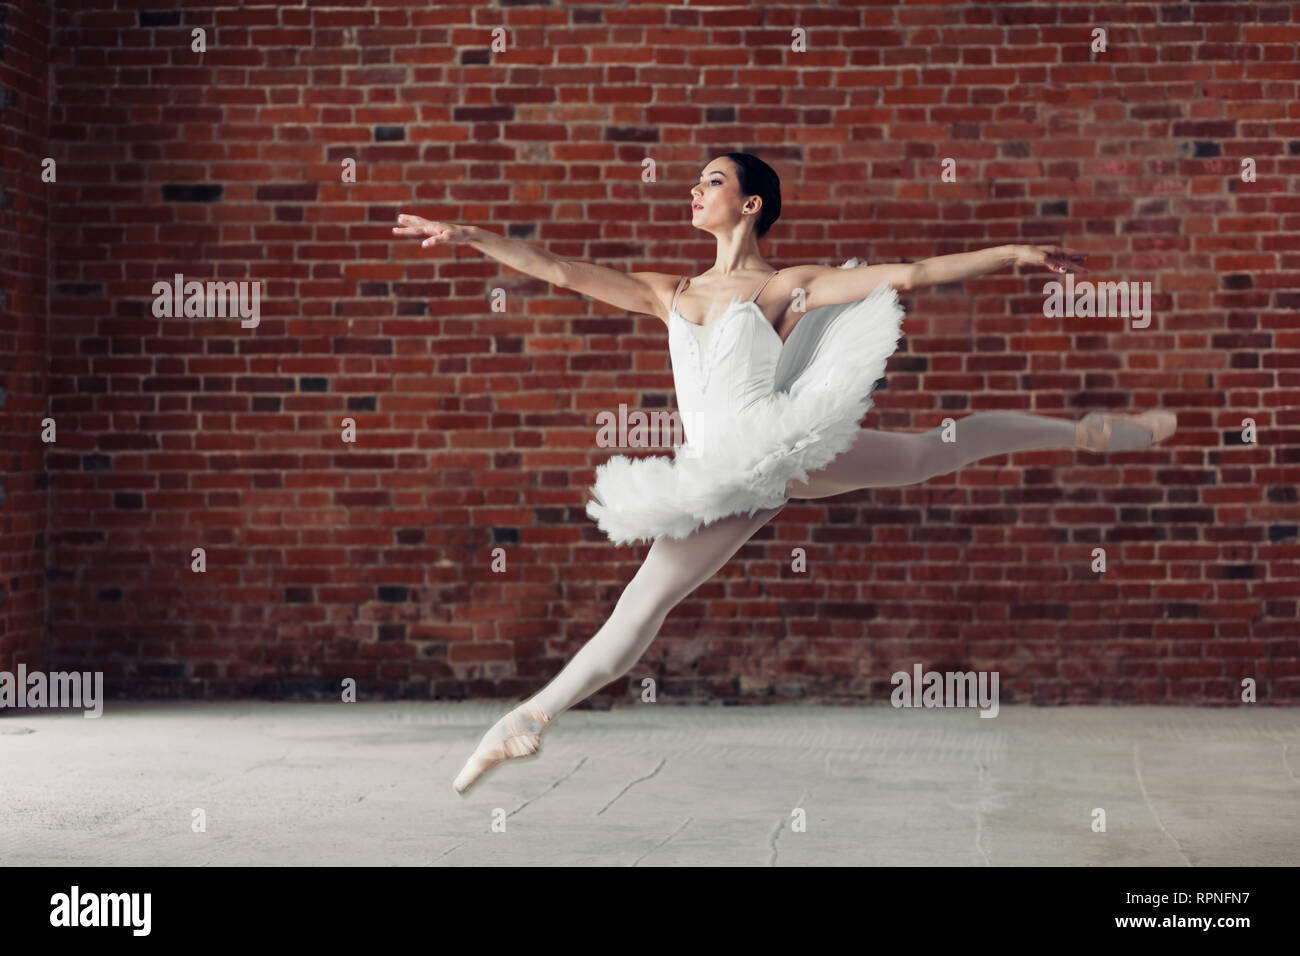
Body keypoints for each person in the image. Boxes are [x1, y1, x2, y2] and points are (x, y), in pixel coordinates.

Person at [393, 153, 1176, 795]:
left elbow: (911, 274)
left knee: (928, 451)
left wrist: (1011, 253)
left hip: (787, 449)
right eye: (698, 180)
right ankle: (525, 721)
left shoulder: (777, 287)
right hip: (717, 478)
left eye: (712, 182)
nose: (695, 191)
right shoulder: (669, 292)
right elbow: (559, 269)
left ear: (751, 205)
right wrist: (468, 234)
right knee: (640, 606)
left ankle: (1086, 431)